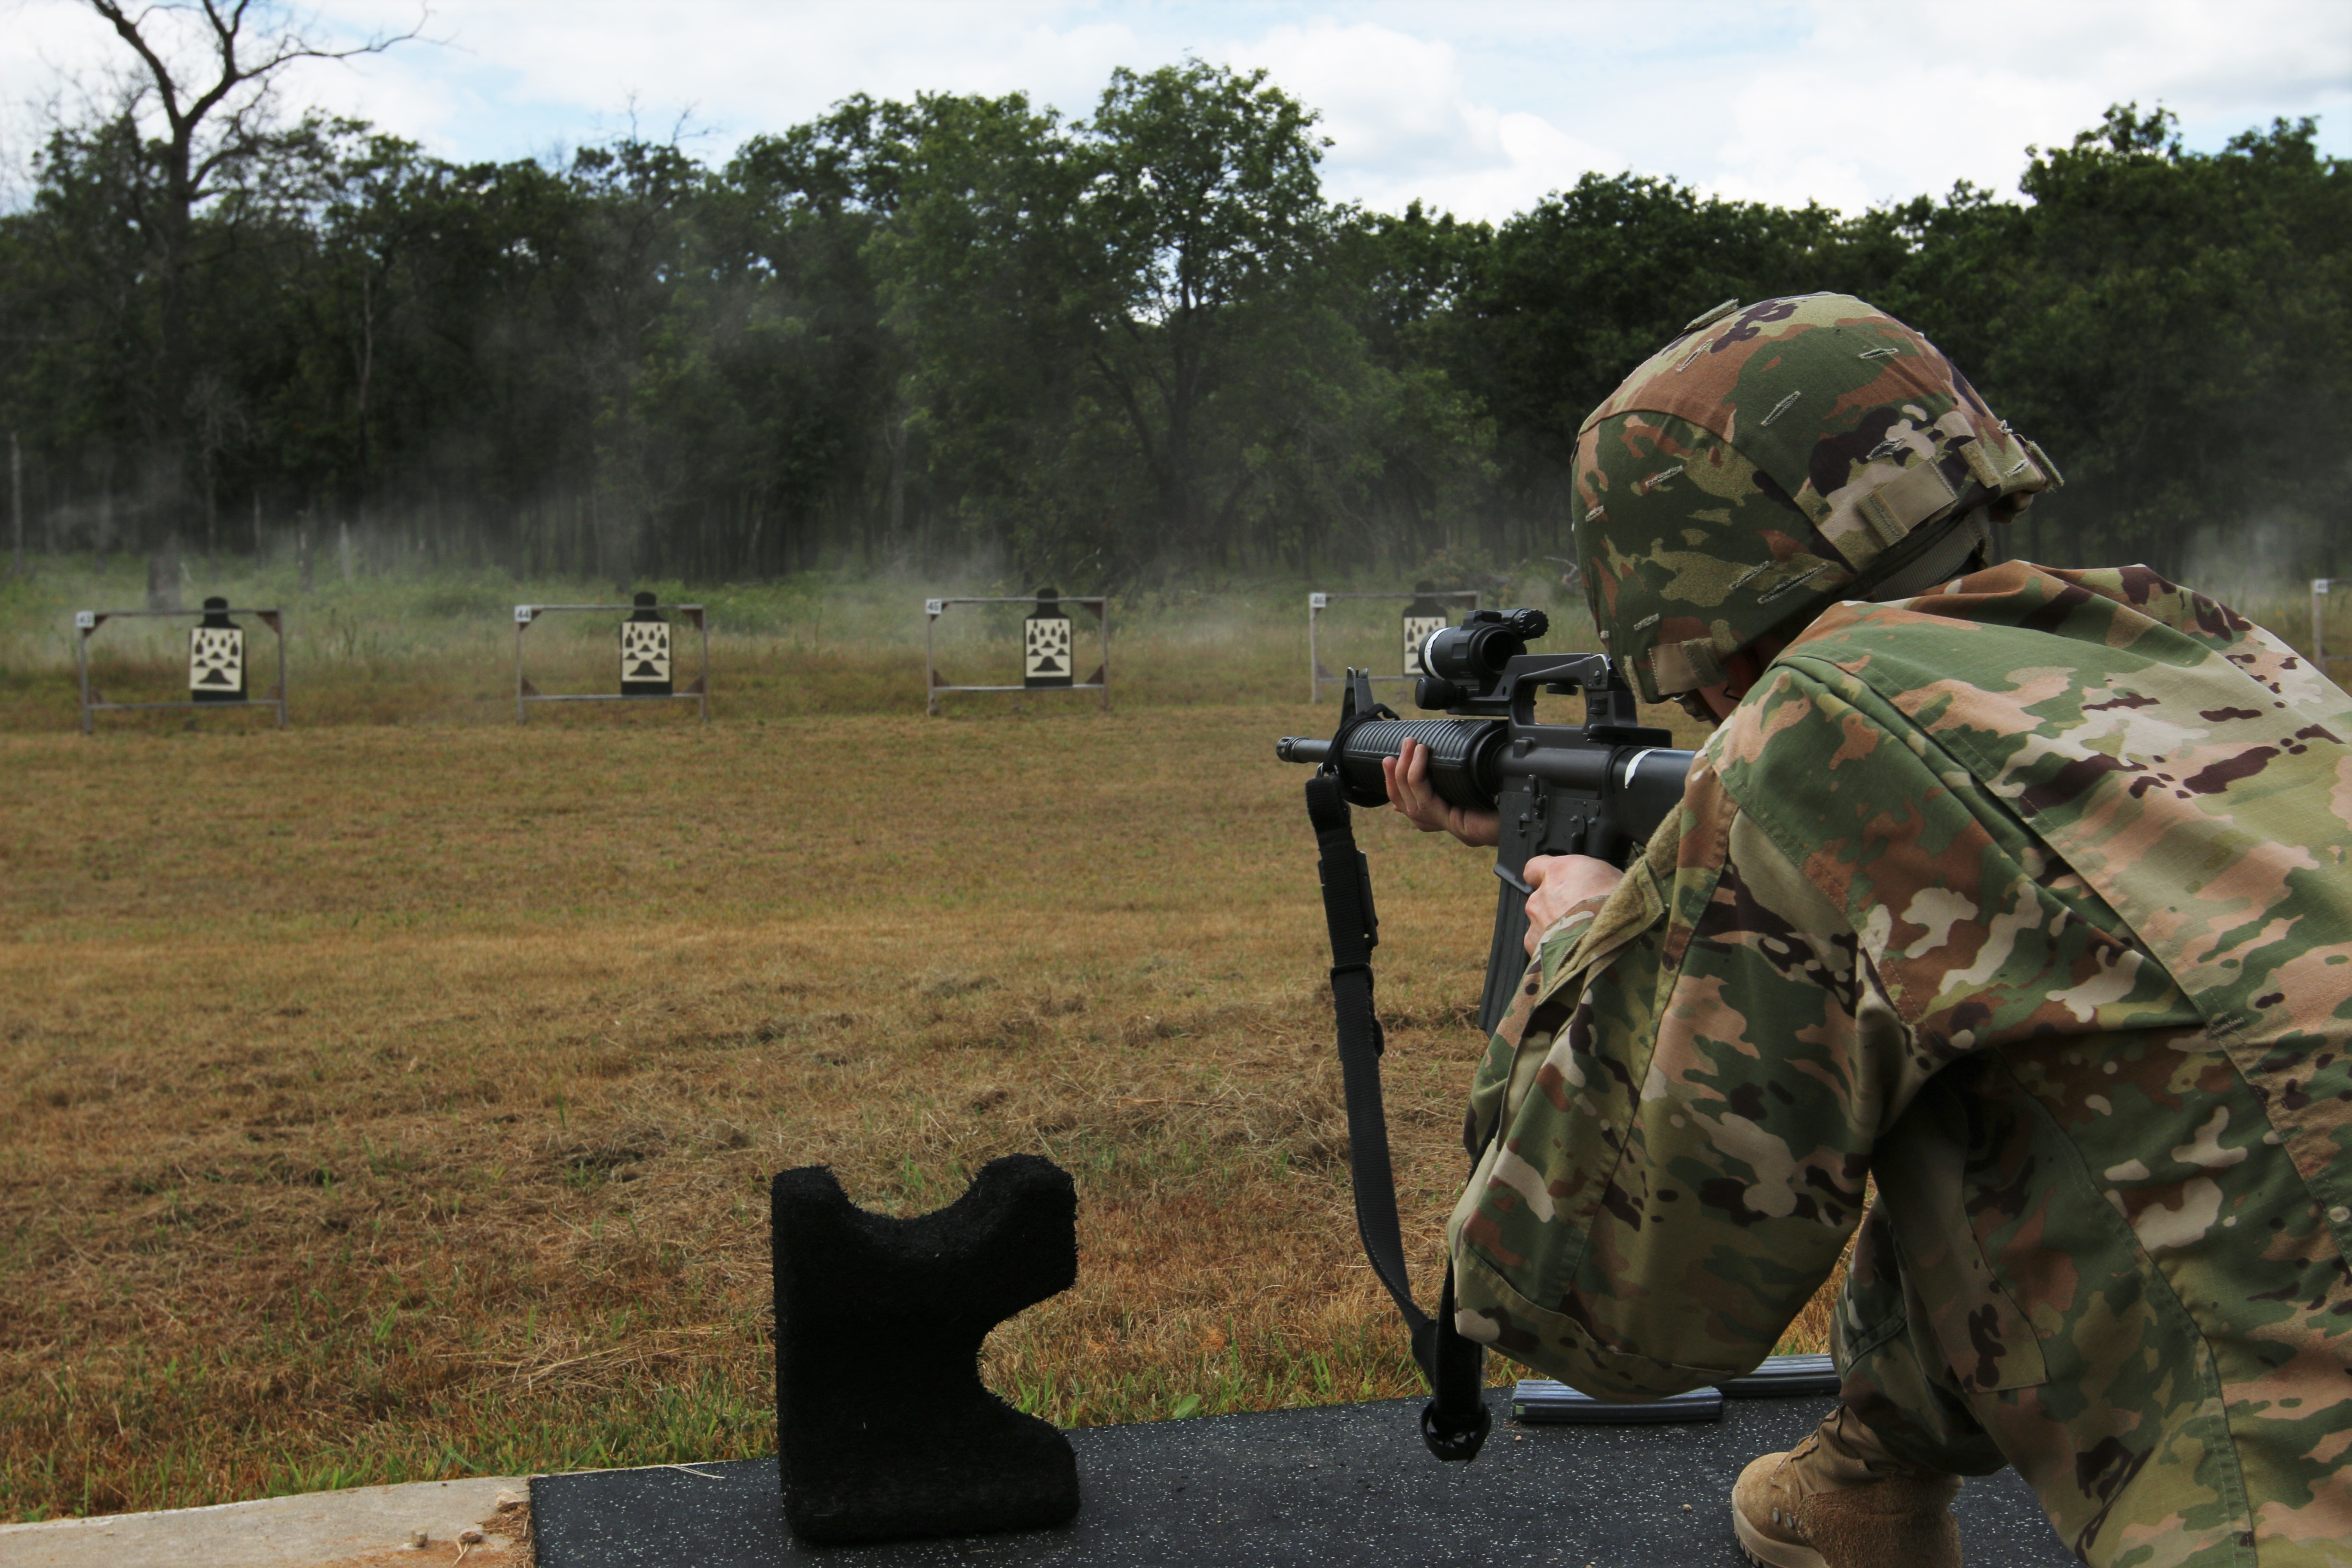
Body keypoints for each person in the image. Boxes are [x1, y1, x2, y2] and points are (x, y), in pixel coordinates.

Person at [1381, 294, 2352, 1568]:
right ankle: (1871, 1473)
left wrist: (1580, 943)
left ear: (1697, 612)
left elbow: (1613, 1307)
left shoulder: (1825, 725)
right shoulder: (2222, 655)